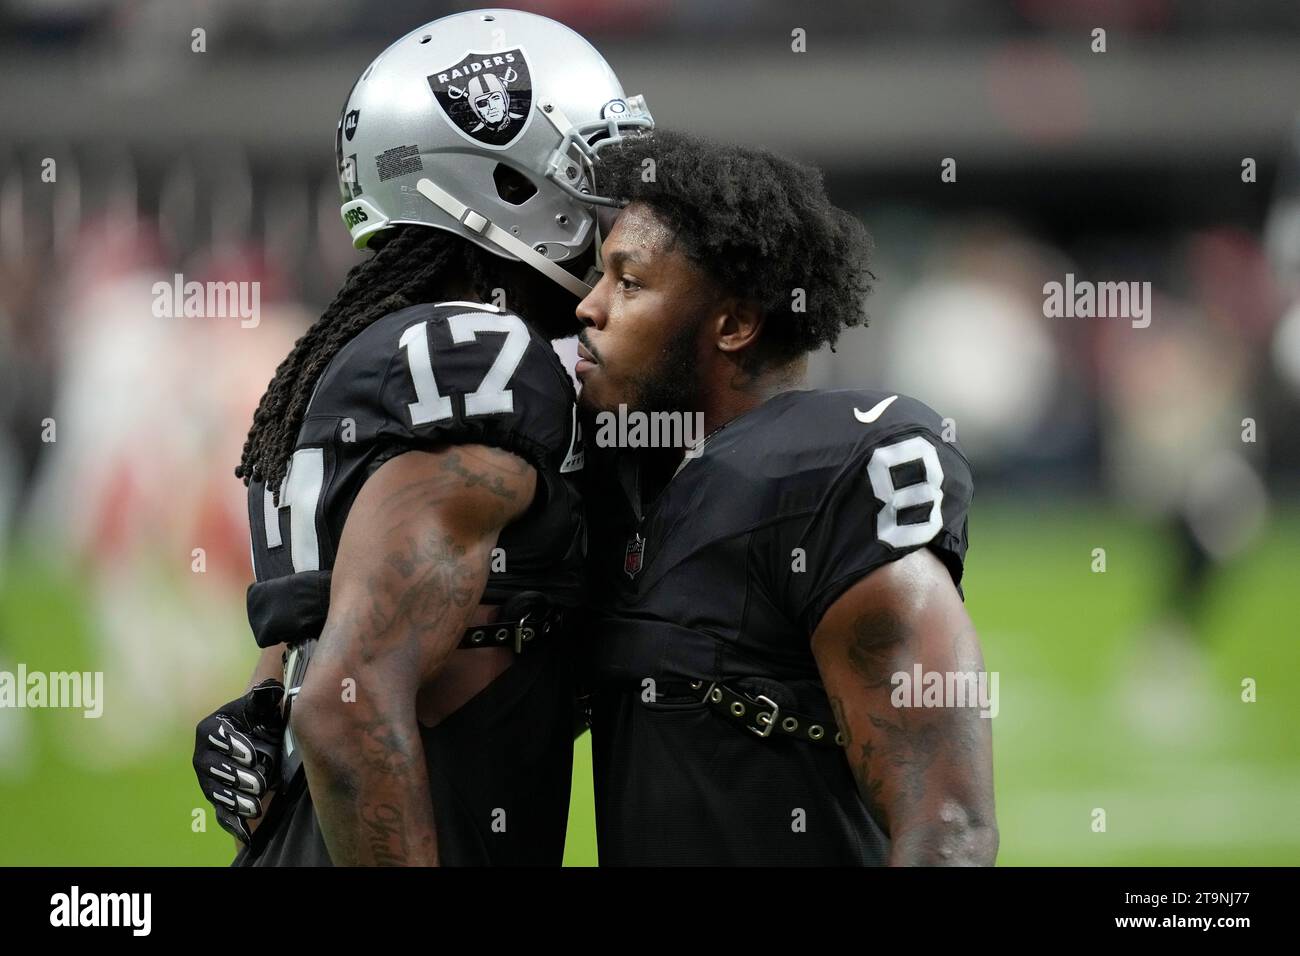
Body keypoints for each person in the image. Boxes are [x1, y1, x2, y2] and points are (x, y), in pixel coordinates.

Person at [191, 9, 652, 866]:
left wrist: (268, 694)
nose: (615, 206)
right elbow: (349, 703)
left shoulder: (377, 347)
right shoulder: (481, 362)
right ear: (503, 182)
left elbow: (342, 619)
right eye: (592, 171)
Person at [574, 130, 997, 865]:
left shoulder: (825, 479)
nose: (589, 306)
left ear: (734, 325)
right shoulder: (639, 478)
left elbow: (948, 826)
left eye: (629, 282)